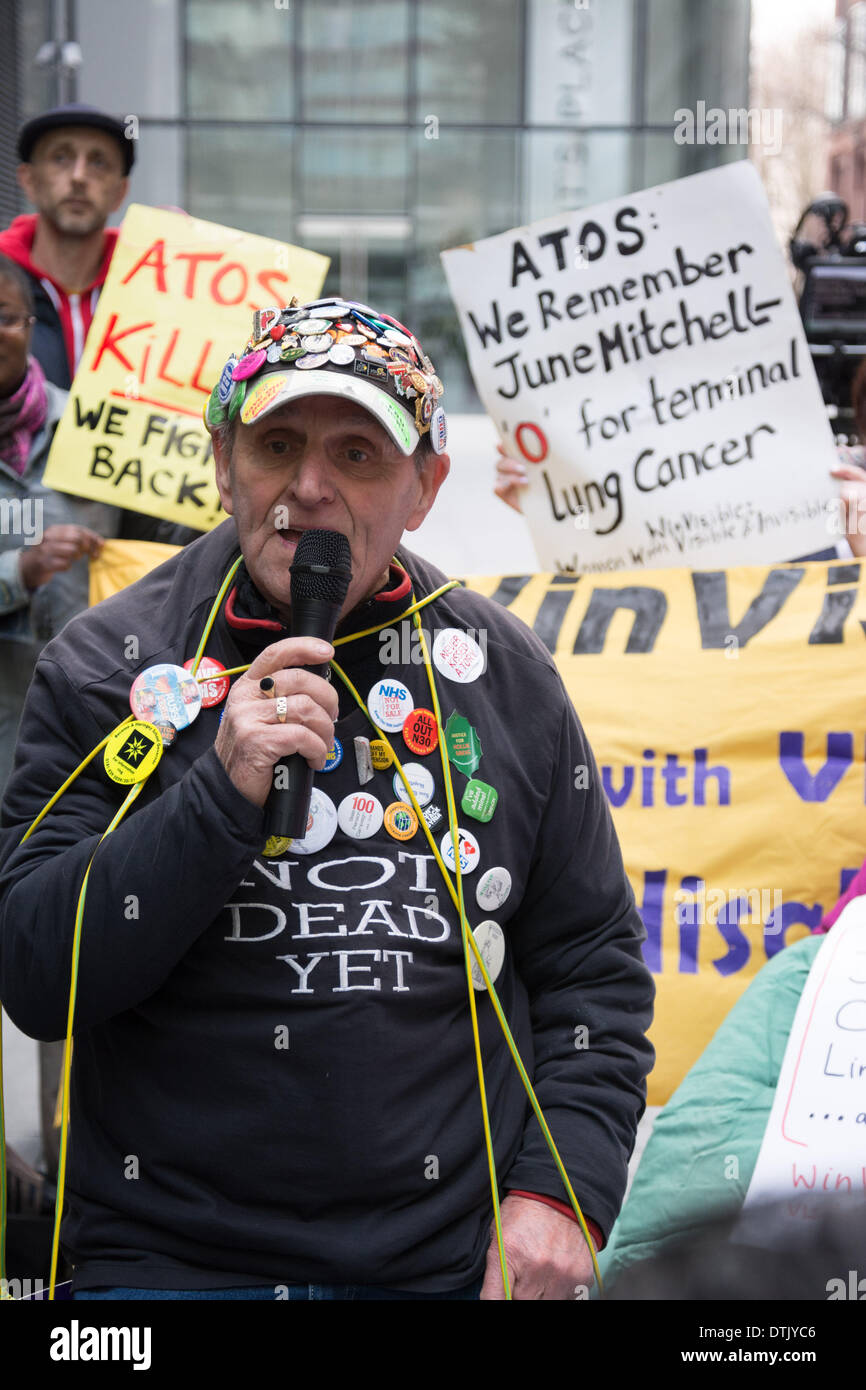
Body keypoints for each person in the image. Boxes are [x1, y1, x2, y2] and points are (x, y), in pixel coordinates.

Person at [0, 296, 654, 1300]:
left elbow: (590, 971)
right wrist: (215, 799)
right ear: (222, 461)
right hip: (168, 1263)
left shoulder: (501, 673)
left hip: (438, 1263)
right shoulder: (109, 660)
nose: (307, 489)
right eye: (276, 444)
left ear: (424, 486)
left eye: (358, 454)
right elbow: (36, 971)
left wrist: (557, 1195)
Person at [0, 103, 134, 389]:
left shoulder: (152, 290)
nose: (78, 177)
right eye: (60, 157)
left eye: (99, 162)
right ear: (29, 180)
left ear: (120, 192)